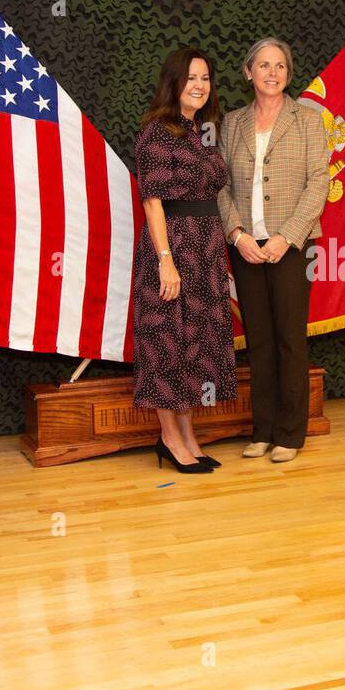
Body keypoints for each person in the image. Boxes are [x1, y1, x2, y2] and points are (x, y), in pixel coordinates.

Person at [217, 38, 329, 464]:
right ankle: (261, 429)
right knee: (258, 340)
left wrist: (288, 236)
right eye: (263, 65)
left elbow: (318, 182)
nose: (272, 72)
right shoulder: (232, 123)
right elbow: (221, 186)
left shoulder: (308, 122)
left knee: (288, 339)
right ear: (248, 72)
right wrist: (238, 234)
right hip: (246, 247)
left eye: (280, 65)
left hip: (291, 246)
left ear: (288, 72)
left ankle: (289, 432)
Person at [131, 47, 237, 474]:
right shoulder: (157, 132)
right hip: (172, 245)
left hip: (207, 250)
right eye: (191, 77)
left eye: (206, 78)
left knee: (198, 346)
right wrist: (165, 261)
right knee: (166, 344)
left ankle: (189, 435)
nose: (199, 85)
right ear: (173, 83)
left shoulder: (203, 131)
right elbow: (153, 202)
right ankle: (169, 439)